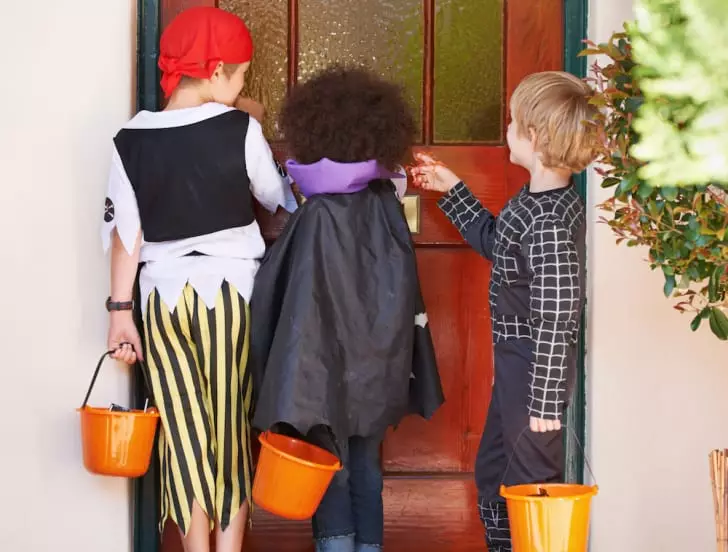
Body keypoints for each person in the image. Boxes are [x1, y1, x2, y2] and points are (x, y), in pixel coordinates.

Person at [101, 7, 296, 552]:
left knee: (183, 434)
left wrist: (120, 314)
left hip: (161, 301)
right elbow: (278, 200)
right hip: (232, 297)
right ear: (214, 72)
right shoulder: (241, 129)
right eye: (239, 76)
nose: (241, 88)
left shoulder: (130, 139)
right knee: (230, 430)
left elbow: (126, 238)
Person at [249, 67, 444, 552]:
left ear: (314, 135)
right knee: (366, 465)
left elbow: (286, 295)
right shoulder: (387, 205)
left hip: (323, 370)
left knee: (328, 465)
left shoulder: (317, 215)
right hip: (377, 366)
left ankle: (336, 546)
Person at [411, 71, 598, 552]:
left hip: (535, 374)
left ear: (533, 138)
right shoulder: (533, 203)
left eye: (513, 122)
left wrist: (543, 401)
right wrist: (452, 189)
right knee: (495, 473)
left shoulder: (553, 218)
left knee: (533, 486)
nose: (506, 129)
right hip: (516, 364)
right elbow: (500, 244)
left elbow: (557, 314)